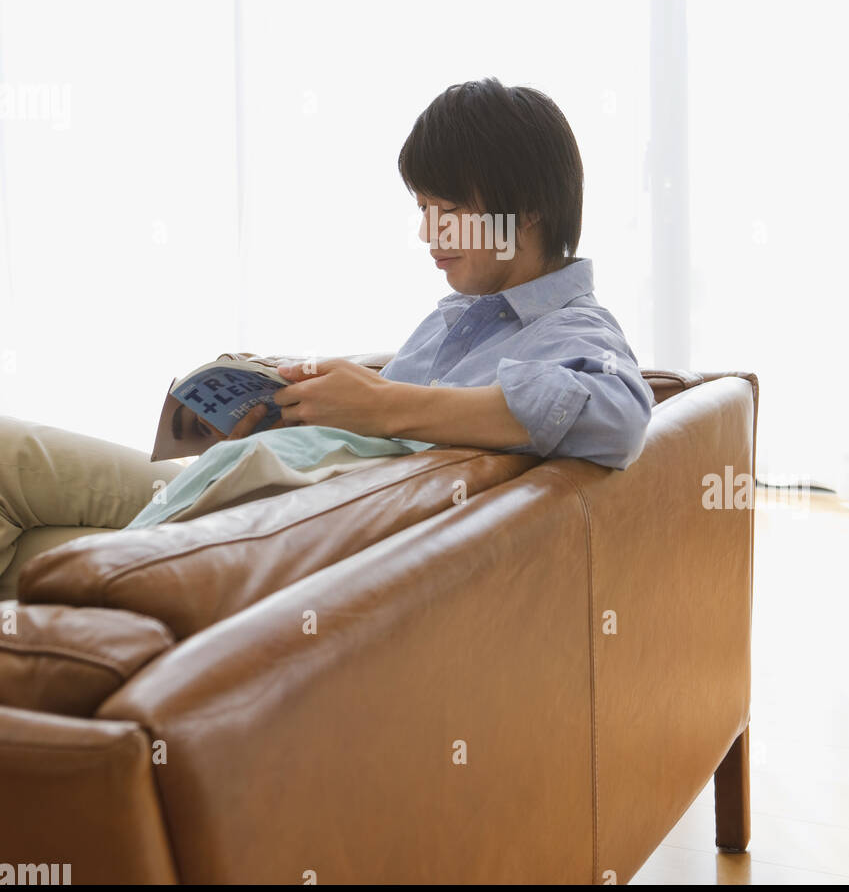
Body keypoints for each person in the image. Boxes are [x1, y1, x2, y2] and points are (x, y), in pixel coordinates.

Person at [0, 77, 654, 594]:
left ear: (528, 209)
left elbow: (620, 413)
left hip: (261, 522)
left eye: (447, 213)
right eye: (422, 211)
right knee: (17, 531)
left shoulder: (572, 328)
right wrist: (302, 390)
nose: (428, 236)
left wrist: (384, 406)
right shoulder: (466, 312)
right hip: (243, 486)